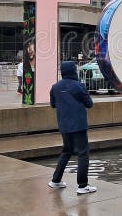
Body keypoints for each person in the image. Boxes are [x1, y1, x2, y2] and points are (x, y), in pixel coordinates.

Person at [48, 61, 97, 195]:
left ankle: (56, 180)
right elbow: (89, 104)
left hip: (64, 126)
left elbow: (53, 105)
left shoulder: (55, 87)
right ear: (73, 71)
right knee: (83, 153)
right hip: (79, 126)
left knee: (66, 151)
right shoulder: (78, 86)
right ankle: (82, 185)